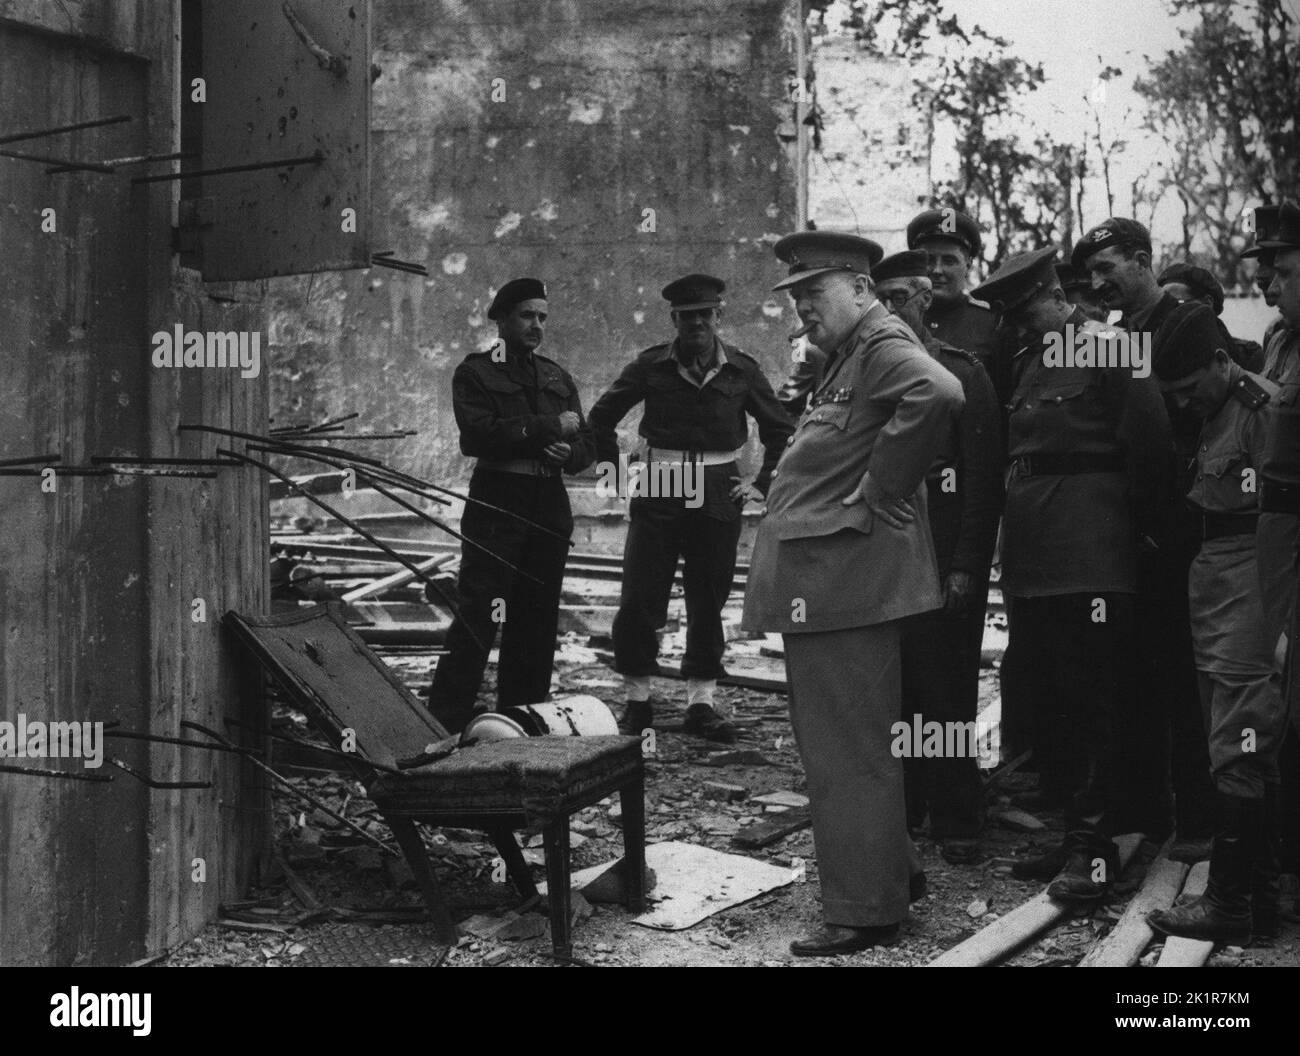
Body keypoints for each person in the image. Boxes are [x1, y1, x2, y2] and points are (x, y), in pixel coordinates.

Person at [742, 231, 964, 955]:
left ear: (860, 289)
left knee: (846, 750)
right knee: (845, 740)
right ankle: (892, 870)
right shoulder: (848, 354)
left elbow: (939, 391)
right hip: (828, 588)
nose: (803, 309)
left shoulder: (880, 344)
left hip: (846, 586)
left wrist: (881, 492)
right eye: (797, 296)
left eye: (814, 293)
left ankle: (867, 910)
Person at [974, 246, 1175, 901]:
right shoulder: (1029, 361)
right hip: (1035, 562)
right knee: (1055, 704)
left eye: (1022, 312)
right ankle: (1072, 840)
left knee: (1096, 707)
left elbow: (1149, 446)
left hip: (1093, 556)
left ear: (1050, 296)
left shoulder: (1110, 347)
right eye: (1011, 318)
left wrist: (1135, 536)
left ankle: (1095, 855)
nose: (1015, 327)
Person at [586, 274, 792, 742]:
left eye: (705, 314)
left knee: (709, 597)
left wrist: (760, 485)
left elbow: (781, 429)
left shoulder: (742, 369)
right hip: (661, 480)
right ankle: (638, 701)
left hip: (719, 485)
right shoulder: (650, 366)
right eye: (686, 316)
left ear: (718, 317)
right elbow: (600, 418)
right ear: (673, 319)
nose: (696, 323)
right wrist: (614, 473)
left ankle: (701, 703)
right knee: (641, 594)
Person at [1074, 218, 1219, 855]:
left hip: (1181, 521)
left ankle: (1200, 819)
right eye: (1092, 274)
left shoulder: (1189, 325)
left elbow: (1197, 423)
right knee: (1137, 673)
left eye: (1109, 268)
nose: (1099, 282)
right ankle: (1151, 810)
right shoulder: (1114, 335)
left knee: (1184, 675)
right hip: (1134, 525)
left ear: (1142, 260)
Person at [1145, 311, 1285, 945]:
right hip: (1218, 581)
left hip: (1251, 582)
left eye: (1187, 387)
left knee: (1242, 738)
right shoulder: (1216, 412)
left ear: (1223, 361)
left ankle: (1229, 903)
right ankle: (1255, 899)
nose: (1180, 402)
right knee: (1235, 739)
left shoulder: (1264, 410)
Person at [873, 250, 1004, 865]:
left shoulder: (964, 374)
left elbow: (981, 484)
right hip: (883, 562)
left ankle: (956, 815)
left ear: (926, 301)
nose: (890, 309)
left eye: (901, 298)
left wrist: (967, 567)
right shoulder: (867, 375)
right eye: (882, 298)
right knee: (895, 689)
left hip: (944, 558)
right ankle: (905, 811)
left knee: (946, 689)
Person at [426, 278, 595, 734]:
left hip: (548, 504)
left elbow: (587, 443)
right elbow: (476, 436)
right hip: (499, 502)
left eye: (542, 316)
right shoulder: (476, 373)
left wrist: (571, 454)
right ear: (502, 320)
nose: (536, 325)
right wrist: (547, 427)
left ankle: (521, 719)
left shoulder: (558, 376)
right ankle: (444, 721)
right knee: (480, 612)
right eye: (526, 315)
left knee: (537, 619)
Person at [1253, 201, 1300, 923]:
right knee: (1280, 694)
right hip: (1276, 525)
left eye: (1282, 270)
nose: (1270, 284)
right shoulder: (1279, 339)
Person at [1157, 260, 1264, 371]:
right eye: (1163, 307)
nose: (1168, 314)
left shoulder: (1247, 357)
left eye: (1177, 305)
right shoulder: (1148, 355)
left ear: (1208, 303)